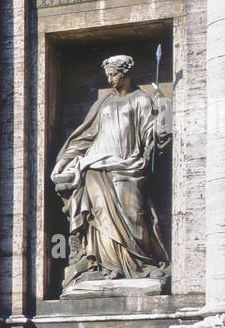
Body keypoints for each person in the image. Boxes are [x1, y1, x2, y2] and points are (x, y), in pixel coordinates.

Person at [51, 55, 169, 289]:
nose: (110, 80)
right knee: (99, 215)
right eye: (108, 75)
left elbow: (149, 134)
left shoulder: (141, 100)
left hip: (128, 165)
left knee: (133, 212)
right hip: (96, 165)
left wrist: (162, 118)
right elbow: (86, 135)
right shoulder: (103, 103)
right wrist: (63, 161)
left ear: (125, 74)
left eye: (113, 74)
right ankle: (106, 266)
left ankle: (140, 263)